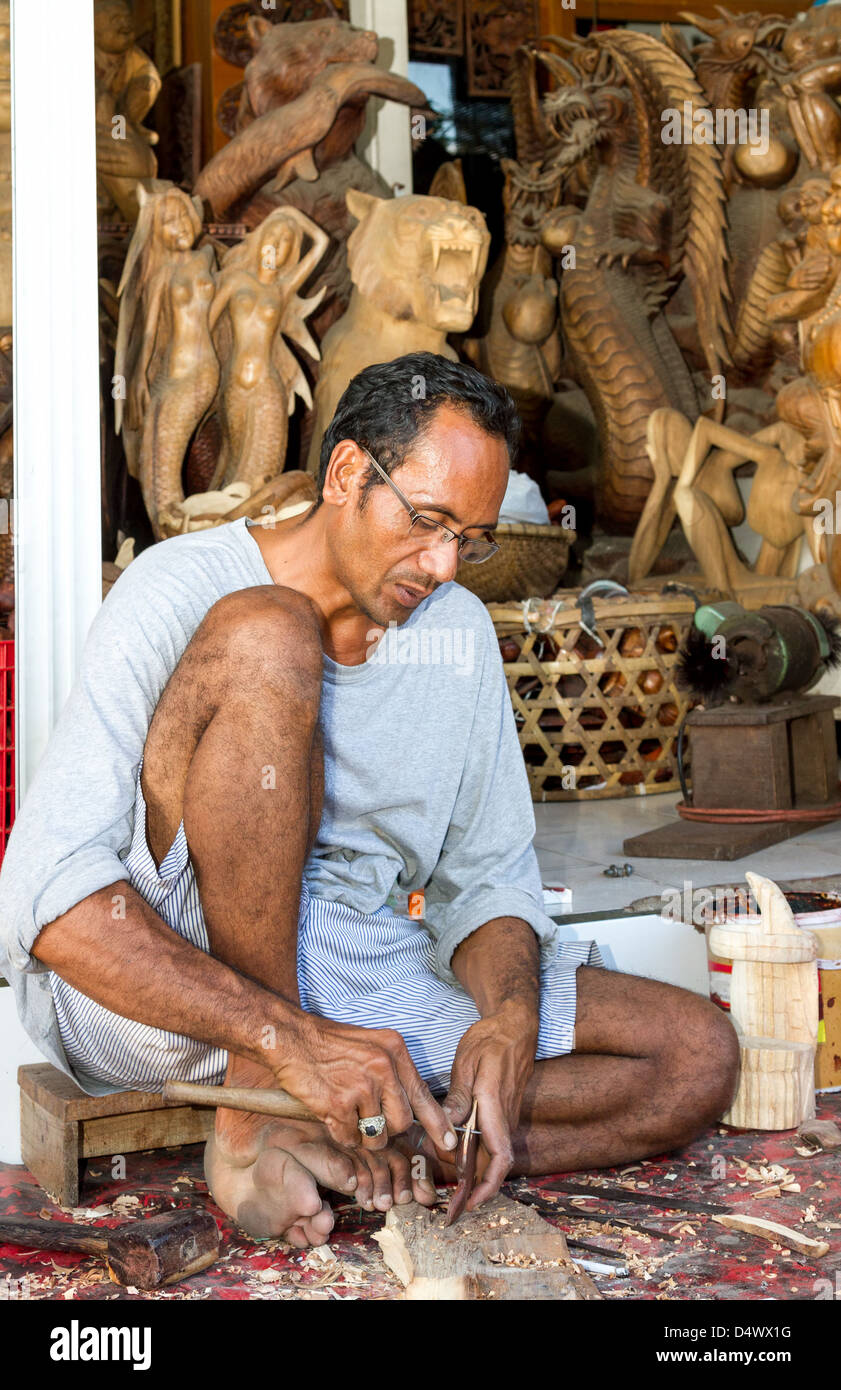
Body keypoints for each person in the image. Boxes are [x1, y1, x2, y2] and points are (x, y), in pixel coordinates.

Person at [0, 353, 738, 1244]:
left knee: (694, 1058)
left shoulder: (455, 631)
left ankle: (359, 1147)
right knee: (273, 632)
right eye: (427, 522)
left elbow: (486, 879)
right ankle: (253, 1123)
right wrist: (280, 1040)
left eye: (470, 538)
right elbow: (44, 893)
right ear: (347, 473)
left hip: (350, 963)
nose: (444, 565)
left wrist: (507, 1019)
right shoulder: (180, 584)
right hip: (171, 975)